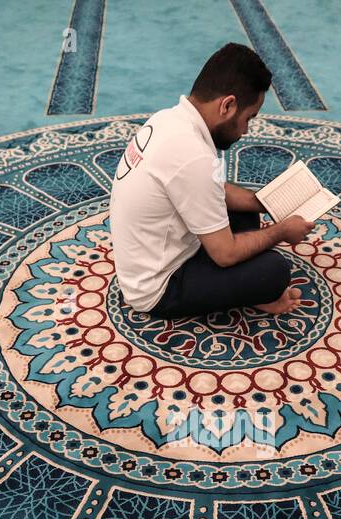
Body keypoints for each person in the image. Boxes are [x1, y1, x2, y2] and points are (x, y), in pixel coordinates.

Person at [109, 42, 313, 319]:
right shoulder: (193, 156)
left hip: (155, 256)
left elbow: (213, 190)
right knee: (275, 271)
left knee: (246, 213)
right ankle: (255, 294)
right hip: (159, 288)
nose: (246, 130)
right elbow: (225, 254)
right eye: (248, 118)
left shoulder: (168, 119)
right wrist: (281, 231)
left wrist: (267, 203)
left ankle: (247, 289)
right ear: (228, 105)